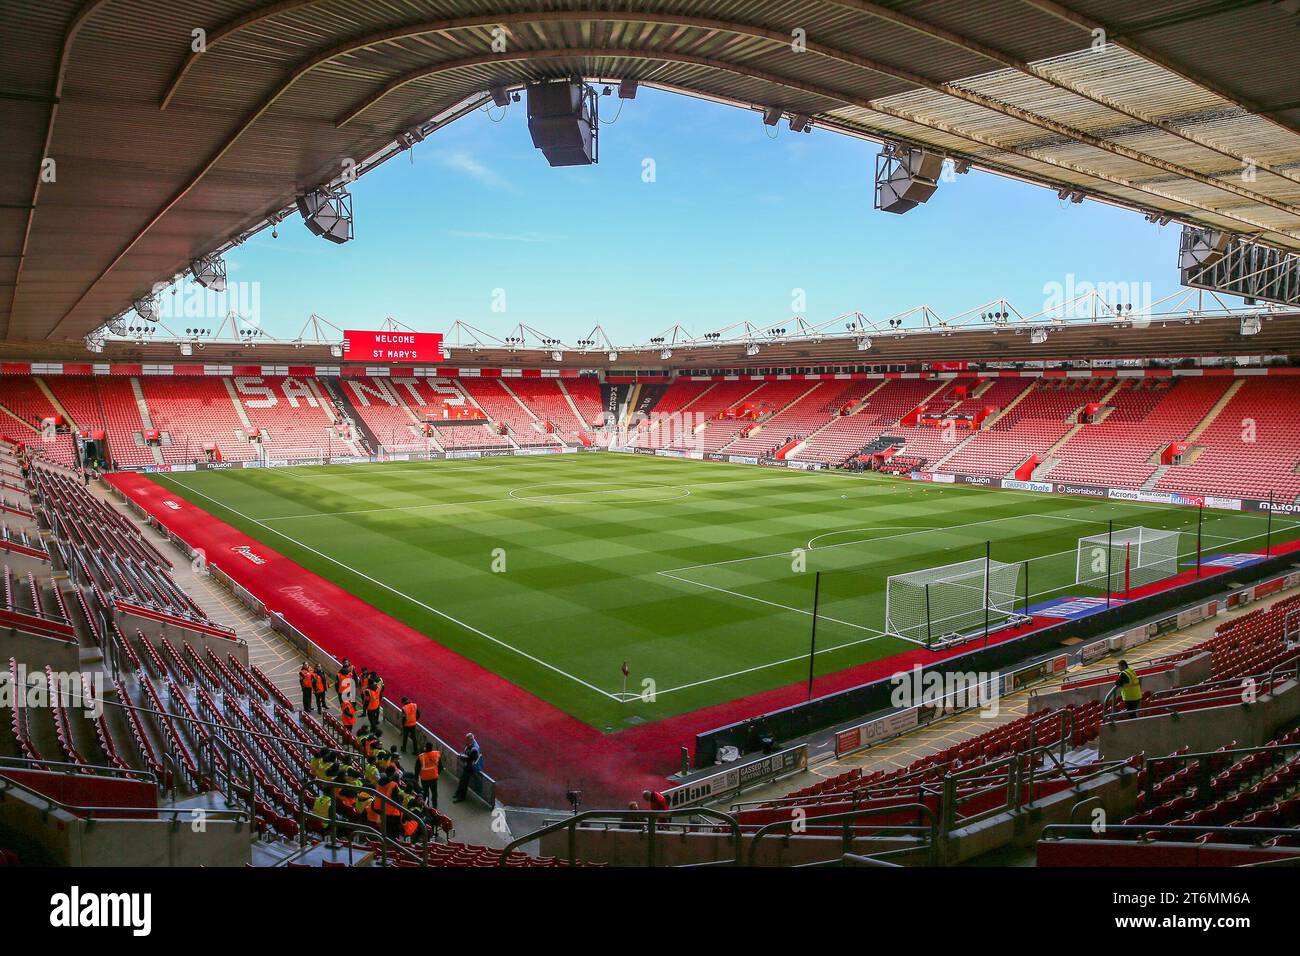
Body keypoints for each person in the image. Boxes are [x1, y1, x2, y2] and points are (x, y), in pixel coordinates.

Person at [453, 733, 482, 803]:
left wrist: (463, 757)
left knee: (464, 782)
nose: (466, 741)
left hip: (469, 768)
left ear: (470, 740)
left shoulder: (474, 749)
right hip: (467, 766)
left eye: (467, 740)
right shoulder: (472, 745)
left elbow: (471, 760)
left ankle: (461, 797)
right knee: (462, 781)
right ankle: (458, 793)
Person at [415, 740, 441, 808]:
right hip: (434, 778)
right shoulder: (437, 754)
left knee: (426, 794)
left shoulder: (421, 756)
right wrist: (438, 773)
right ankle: (435, 808)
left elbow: (417, 768)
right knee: (434, 794)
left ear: (425, 748)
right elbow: (440, 765)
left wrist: (416, 778)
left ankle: (427, 807)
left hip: (425, 779)